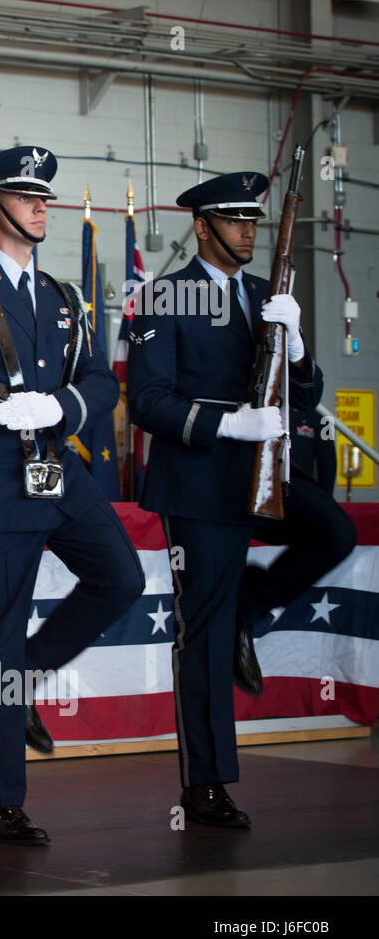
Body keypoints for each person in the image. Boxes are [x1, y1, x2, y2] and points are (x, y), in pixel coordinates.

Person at [128, 170, 323, 828]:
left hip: (264, 474)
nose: (249, 230)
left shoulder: (268, 294)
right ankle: (205, 785)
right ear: (202, 225)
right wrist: (228, 424)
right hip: (202, 482)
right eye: (235, 219)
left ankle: (248, 605)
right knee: (203, 635)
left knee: (335, 534)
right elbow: (149, 402)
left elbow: (308, 394)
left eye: (254, 220)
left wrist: (296, 348)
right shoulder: (167, 296)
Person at [0, 146, 144, 845]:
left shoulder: (63, 297)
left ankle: (34, 669)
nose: (42, 205)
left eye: (44, 195)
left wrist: (60, 408)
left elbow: (101, 381)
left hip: (57, 467)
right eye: (25, 194)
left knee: (120, 577)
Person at [233, 401, 358, 696]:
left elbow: (325, 467)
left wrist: (321, 503)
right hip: (227, 462)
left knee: (337, 532)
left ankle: (249, 601)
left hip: (285, 485)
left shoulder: (314, 416)